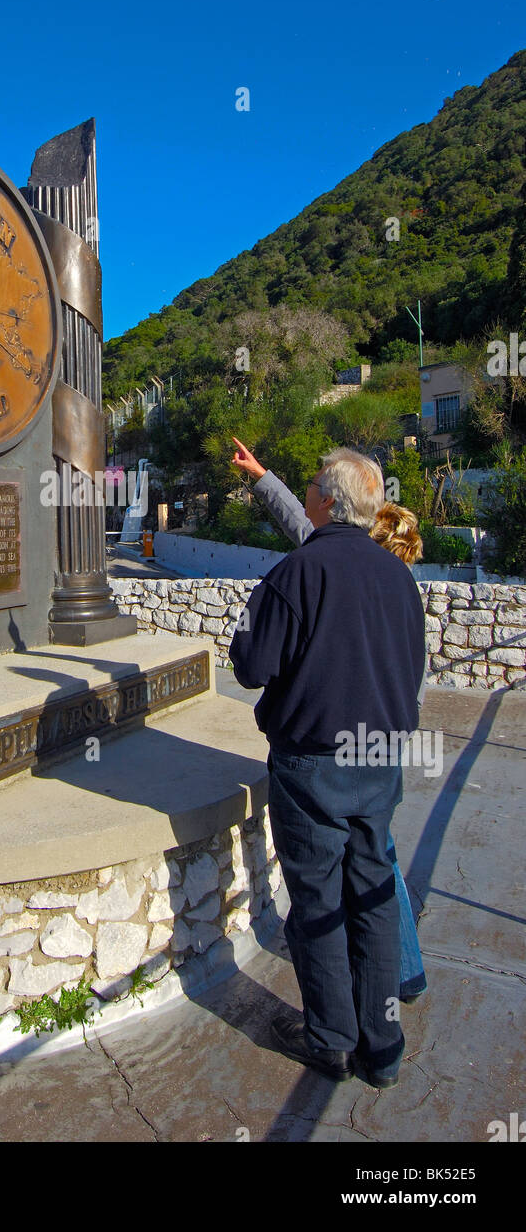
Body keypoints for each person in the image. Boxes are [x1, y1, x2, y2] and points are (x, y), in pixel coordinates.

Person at [229, 447, 426, 1087]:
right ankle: (383, 1046)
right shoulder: (400, 579)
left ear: (325, 500)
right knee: (371, 898)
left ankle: (332, 1039)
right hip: (379, 762)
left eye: (312, 485)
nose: (308, 493)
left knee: (317, 902)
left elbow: (252, 666)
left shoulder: (298, 573)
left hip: (312, 765)